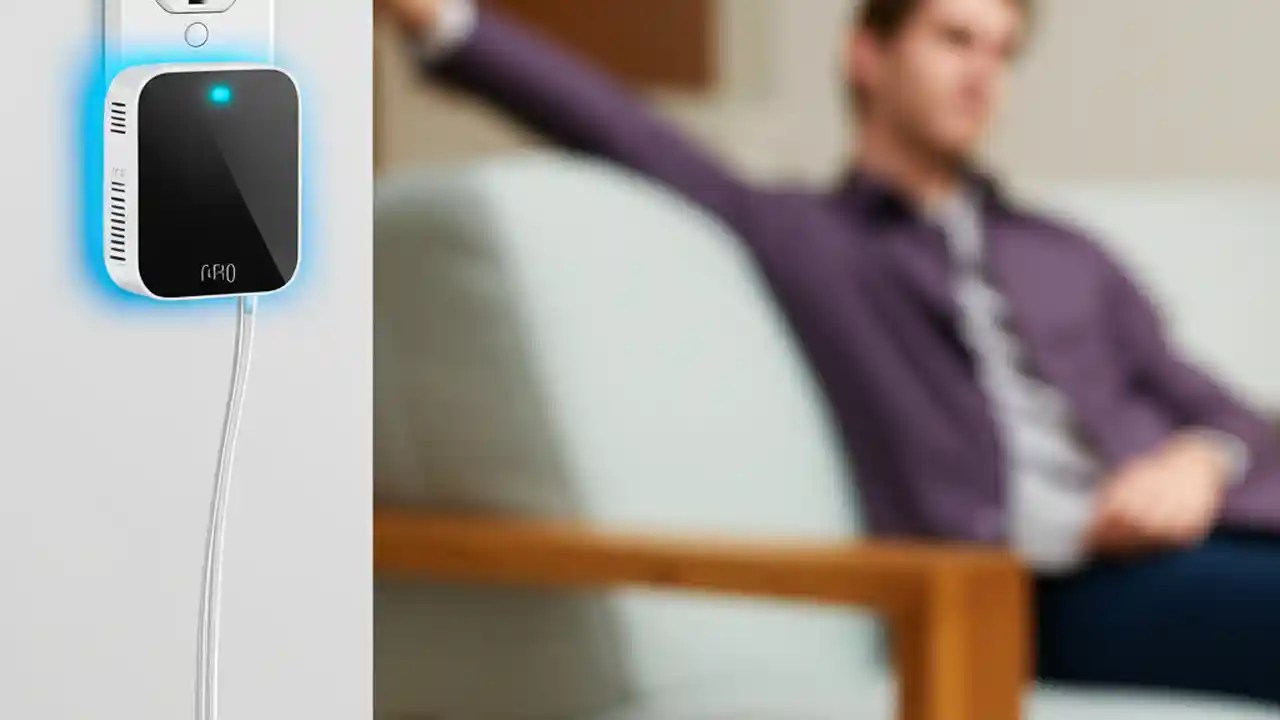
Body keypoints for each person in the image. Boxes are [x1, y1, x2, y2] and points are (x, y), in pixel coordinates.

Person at [377, 0, 1280, 703]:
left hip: (1207, 538)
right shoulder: (809, 240)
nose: (983, 75)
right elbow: (622, 127)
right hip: (1040, 592)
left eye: (1002, 52)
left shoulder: (1066, 254)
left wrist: (1197, 460)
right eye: (956, 40)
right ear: (868, 55)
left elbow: (1231, 414)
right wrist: (437, 19)